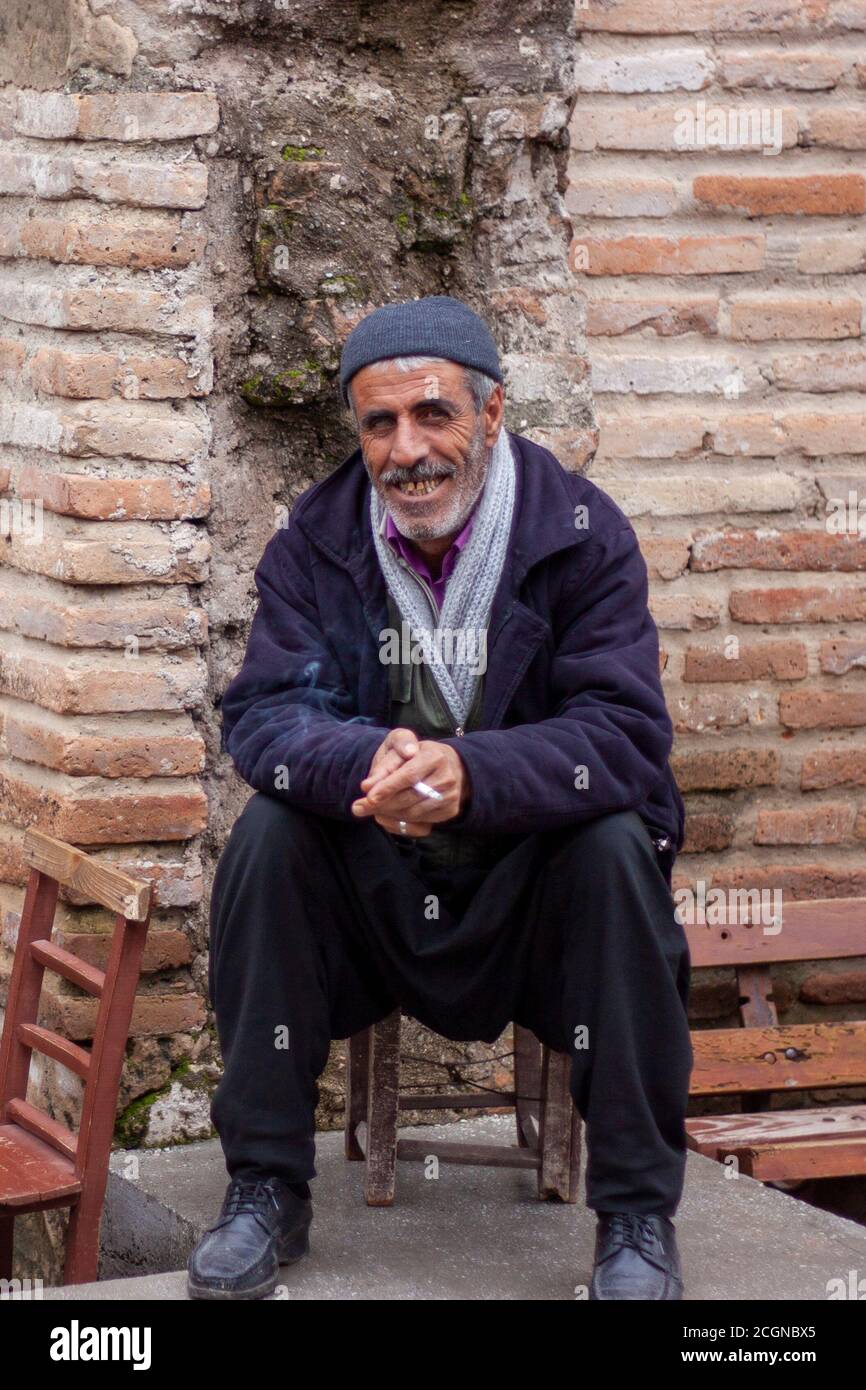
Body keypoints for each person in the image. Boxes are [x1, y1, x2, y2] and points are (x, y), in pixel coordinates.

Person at [187, 295, 693, 1301]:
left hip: (533, 889)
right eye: (379, 424)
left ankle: (636, 1216)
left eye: (432, 415)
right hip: (378, 883)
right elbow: (265, 715)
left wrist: (472, 775)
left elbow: (624, 733)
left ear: (491, 412)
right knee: (268, 837)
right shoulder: (317, 540)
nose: (406, 450)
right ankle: (265, 1189)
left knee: (613, 846)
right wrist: (369, 759)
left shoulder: (580, 533)